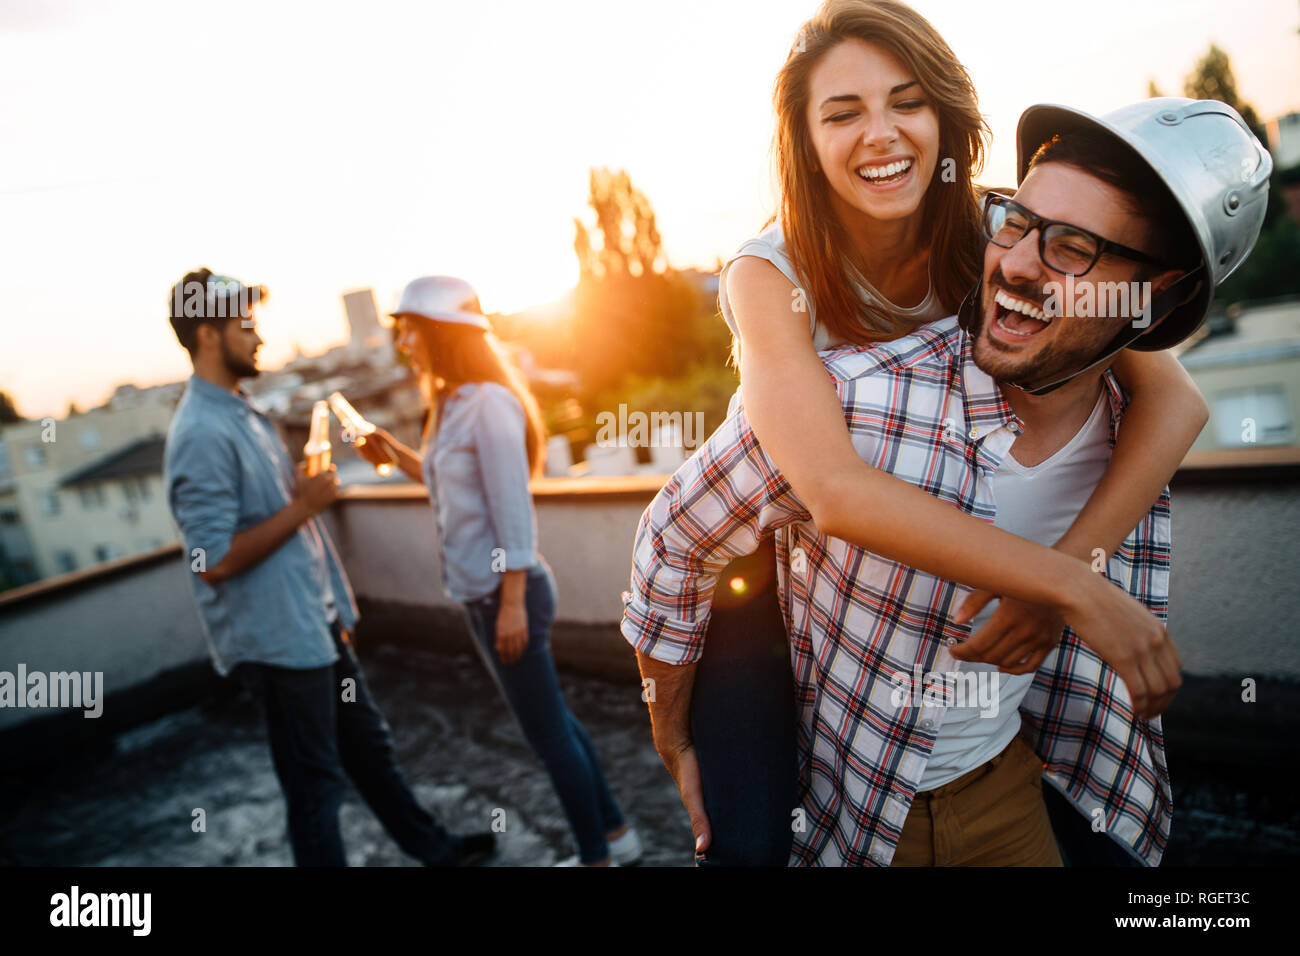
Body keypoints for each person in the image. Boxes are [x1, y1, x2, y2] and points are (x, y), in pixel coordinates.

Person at [623, 96, 1270, 866]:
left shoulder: (1137, 421)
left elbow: (1182, 401)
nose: (1018, 261)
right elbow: (673, 538)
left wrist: (1061, 578)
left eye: (1071, 248)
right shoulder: (858, 400)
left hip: (1010, 797)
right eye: (1018, 222)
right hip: (848, 817)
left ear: (1153, 294)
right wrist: (673, 733)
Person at [163, 268, 494, 867]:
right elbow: (210, 562)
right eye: (245, 323)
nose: (258, 335)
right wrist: (305, 506)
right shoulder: (200, 433)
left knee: (369, 751)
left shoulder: (241, 412)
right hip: (278, 646)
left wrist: (304, 520)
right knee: (315, 788)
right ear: (208, 335)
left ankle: (437, 851)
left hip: (312, 626)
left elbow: (274, 515)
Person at [354, 276, 641, 867]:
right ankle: (615, 836)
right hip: (489, 596)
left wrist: (509, 603)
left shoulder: (489, 404)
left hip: (504, 596)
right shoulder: (454, 402)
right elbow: (453, 490)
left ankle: (596, 858)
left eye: (410, 330)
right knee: (555, 721)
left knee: (547, 734)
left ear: (442, 333)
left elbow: (513, 512)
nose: (403, 344)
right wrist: (397, 457)